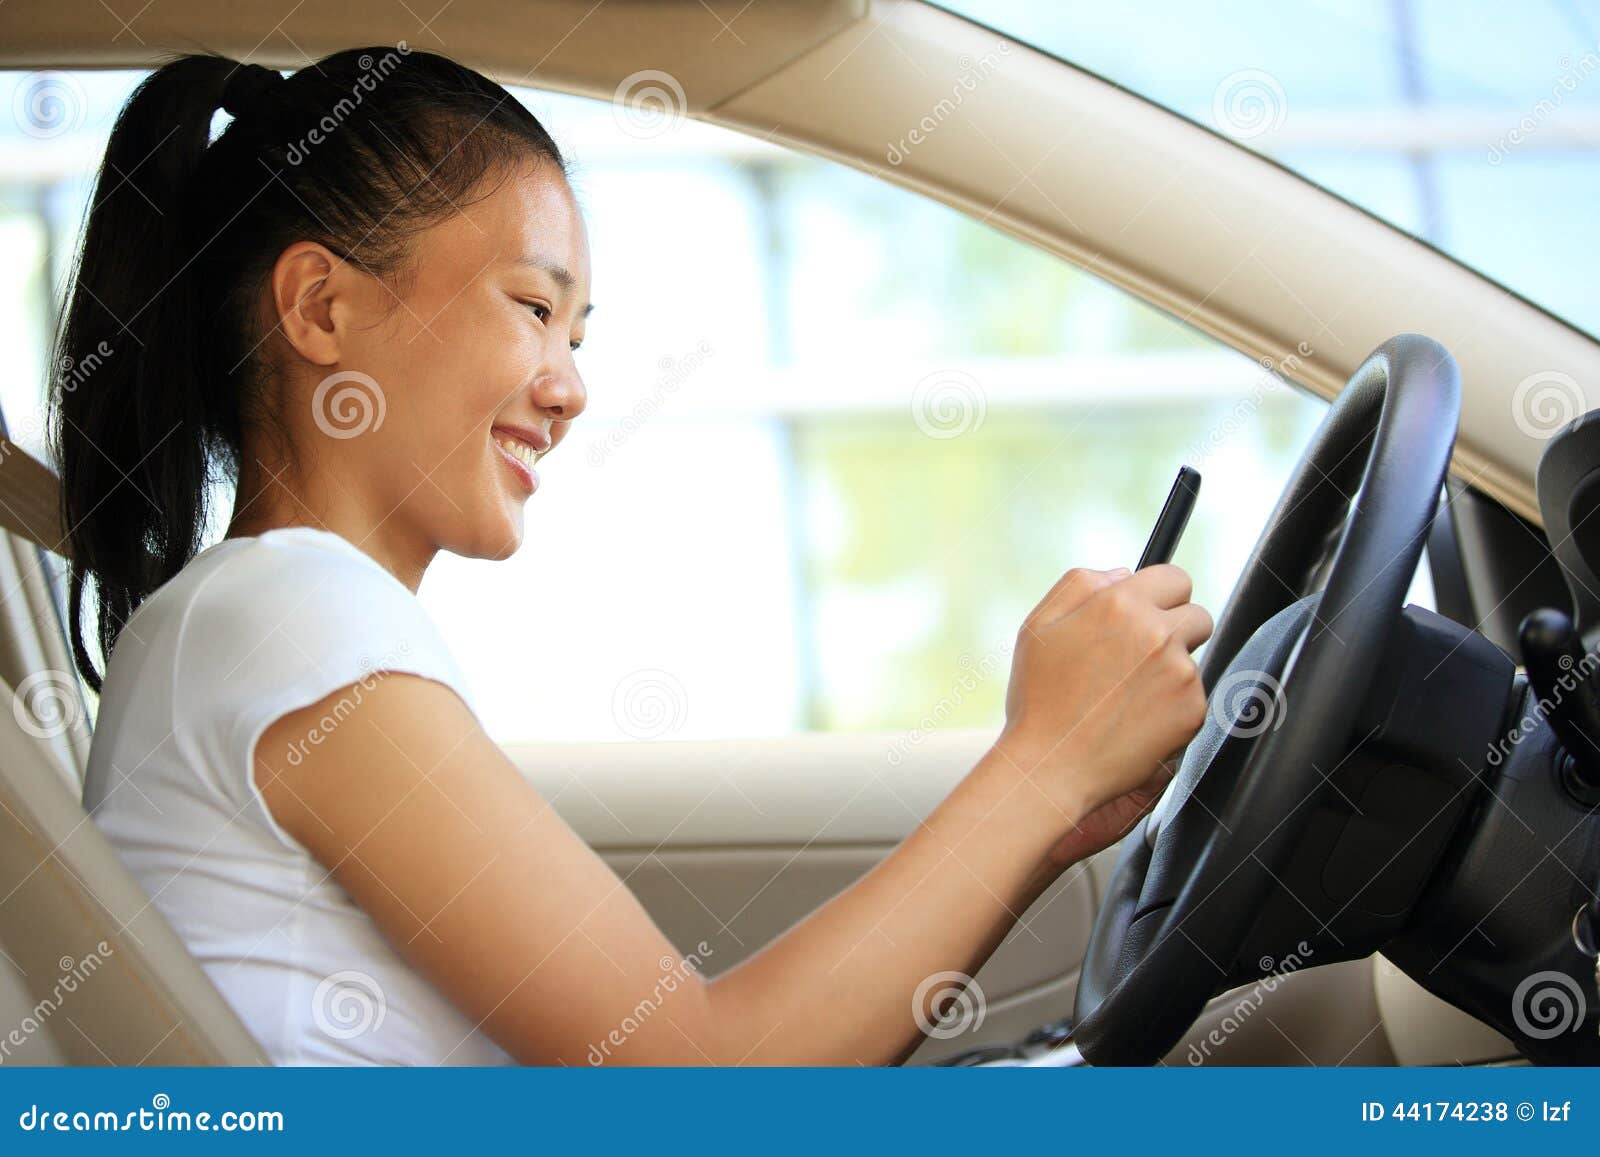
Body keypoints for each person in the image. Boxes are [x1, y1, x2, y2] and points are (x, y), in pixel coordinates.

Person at [61, 48, 1212, 1066]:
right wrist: (1040, 763)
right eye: (532, 307)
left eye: (577, 334)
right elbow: (696, 1083)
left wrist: (1050, 811)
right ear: (321, 307)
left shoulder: (251, 621)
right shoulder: (294, 616)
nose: (570, 389)